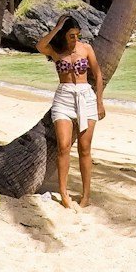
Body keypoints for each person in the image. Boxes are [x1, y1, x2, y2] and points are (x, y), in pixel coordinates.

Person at [36, 14, 105, 208]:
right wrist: (57, 28)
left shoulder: (86, 49)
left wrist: (99, 102)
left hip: (86, 97)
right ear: (63, 35)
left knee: (85, 149)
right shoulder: (56, 50)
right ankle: (64, 193)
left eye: (77, 35)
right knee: (64, 146)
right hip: (64, 98)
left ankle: (86, 195)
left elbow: (98, 75)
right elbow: (40, 46)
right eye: (71, 35)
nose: (75, 39)